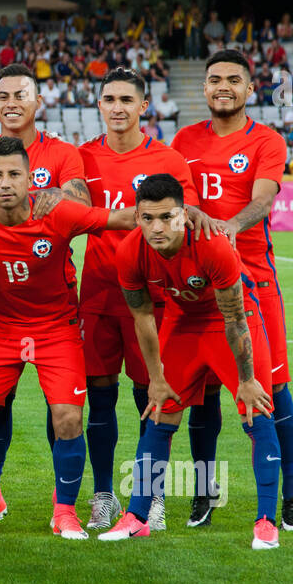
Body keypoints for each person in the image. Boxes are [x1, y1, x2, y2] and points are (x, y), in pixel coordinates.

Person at [0, 137, 129, 539]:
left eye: (14, 174)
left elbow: (119, 220)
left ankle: (65, 514)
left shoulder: (57, 212)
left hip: (57, 330)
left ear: (30, 178)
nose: (5, 183)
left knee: (69, 419)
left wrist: (176, 217)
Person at [99, 174, 280, 550]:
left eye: (167, 217)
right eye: (148, 218)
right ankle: (135, 517)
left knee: (255, 407)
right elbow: (143, 317)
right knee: (160, 408)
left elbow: (234, 318)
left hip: (232, 319)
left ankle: (266, 522)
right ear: (136, 217)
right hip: (183, 323)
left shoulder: (213, 246)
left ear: (185, 216)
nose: (157, 227)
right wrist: (156, 377)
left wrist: (246, 379)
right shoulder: (130, 251)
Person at [172, 49, 293, 532]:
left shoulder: (266, 140)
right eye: (214, 79)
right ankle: (204, 493)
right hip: (198, 284)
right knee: (202, 389)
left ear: (250, 89)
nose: (222, 86)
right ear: (204, 89)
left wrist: (229, 226)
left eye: (233, 79)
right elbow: (180, 200)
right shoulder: (184, 139)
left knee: (274, 389)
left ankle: (291, 494)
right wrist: (195, 219)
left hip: (256, 280)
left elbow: (264, 199)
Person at [0, 63, 91, 520]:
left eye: (20, 95)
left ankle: (63, 505)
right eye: (3, 96)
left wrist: (58, 199)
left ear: (38, 102)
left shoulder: (64, 154)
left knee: (64, 410)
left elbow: (83, 204)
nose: (12, 103)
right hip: (1, 312)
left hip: (56, 308)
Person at [77, 67, 201, 530]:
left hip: (151, 299)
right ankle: (104, 496)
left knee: (152, 395)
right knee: (99, 398)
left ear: (144, 106)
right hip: (98, 295)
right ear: (100, 105)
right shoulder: (82, 158)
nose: (117, 108)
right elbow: (72, 212)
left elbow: (179, 224)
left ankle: (152, 498)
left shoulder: (169, 159)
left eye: (127, 100)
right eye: (109, 99)